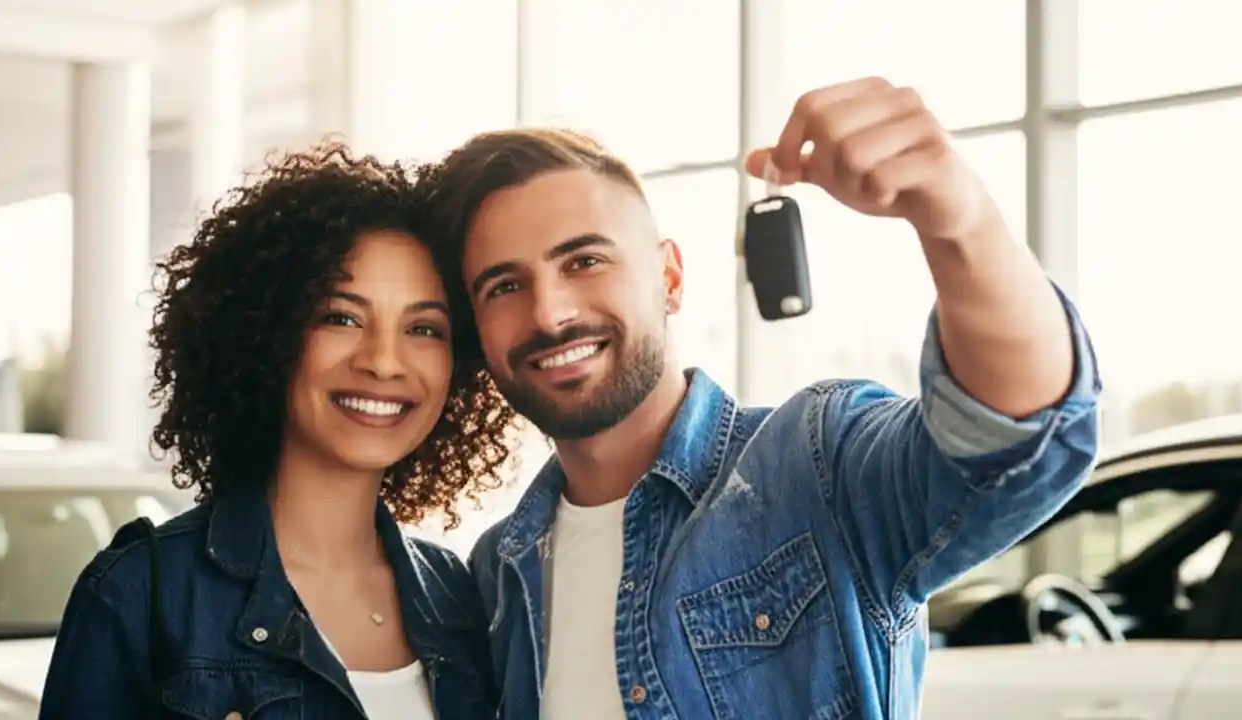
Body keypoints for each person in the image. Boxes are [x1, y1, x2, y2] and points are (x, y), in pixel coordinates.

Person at [427, 77, 1102, 719]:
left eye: (585, 261)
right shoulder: (498, 575)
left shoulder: (814, 464)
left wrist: (957, 215)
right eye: (504, 286)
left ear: (668, 278)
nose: (549, 313)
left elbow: (1016, 438)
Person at [40, 142, 517, 719]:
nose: (385, 362)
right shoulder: (142, 596)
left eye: (424, 328)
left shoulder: (460, 598)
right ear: (266, 334)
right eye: (340, 317)